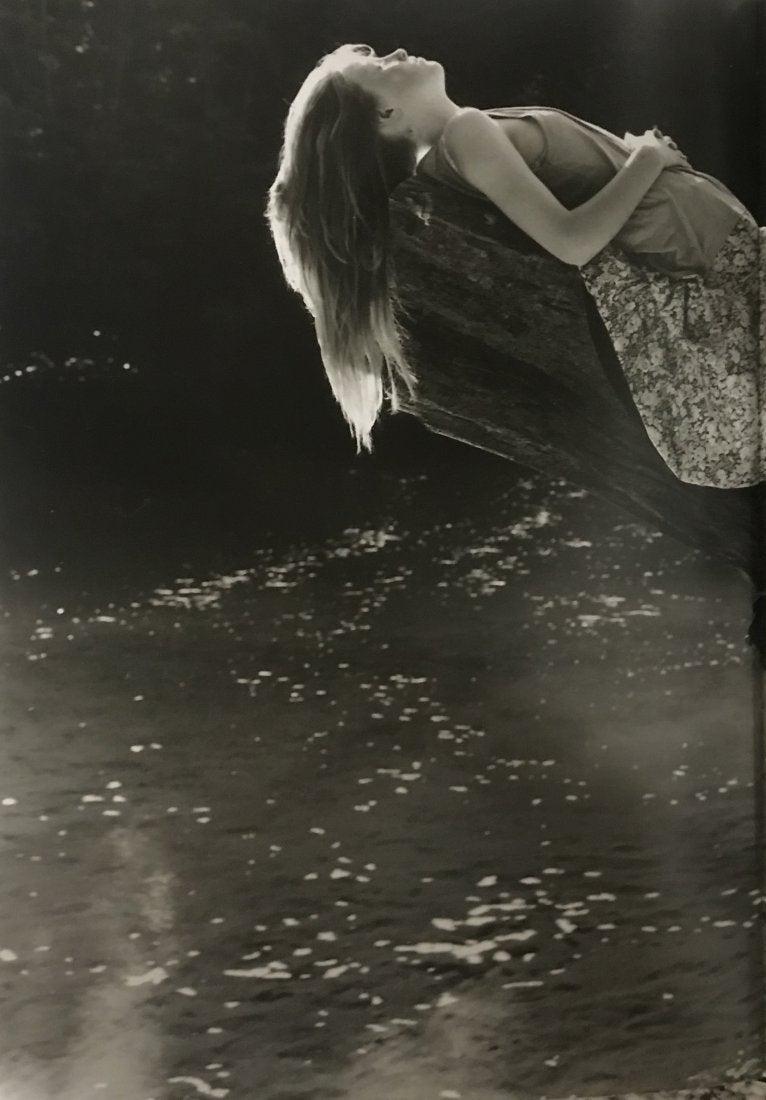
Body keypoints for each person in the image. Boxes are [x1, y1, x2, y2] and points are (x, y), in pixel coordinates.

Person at [266, 44, 764, 488]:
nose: (397, 52)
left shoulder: (462, 143)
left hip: (715, 253)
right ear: (387, 112)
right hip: (710, 258)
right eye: (379, 66)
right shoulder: (466, 135)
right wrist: (648, 159)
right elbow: (573, 242)